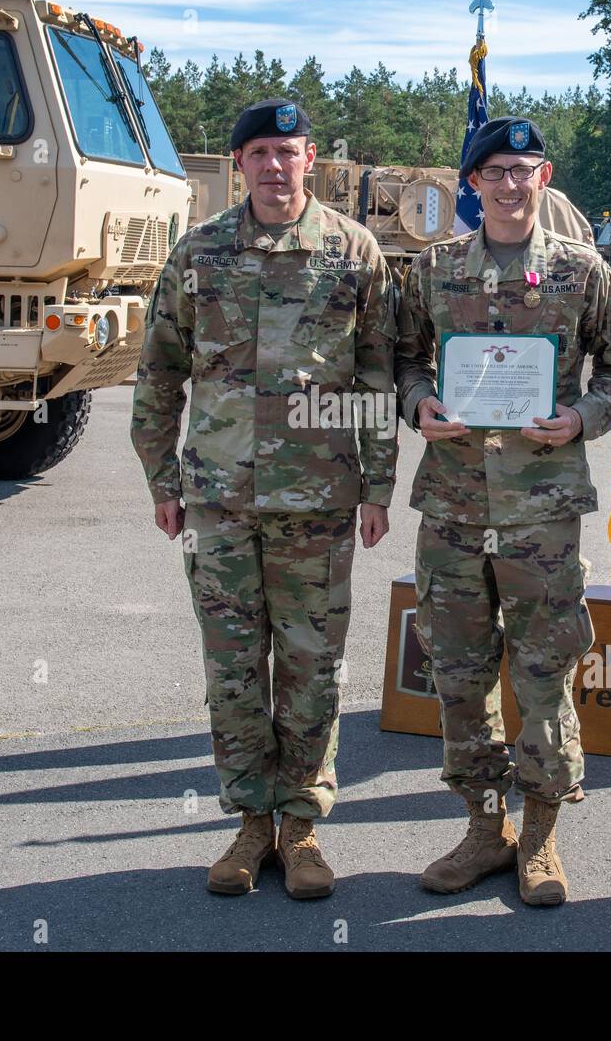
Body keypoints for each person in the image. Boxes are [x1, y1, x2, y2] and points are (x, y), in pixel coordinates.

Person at [130, 98, 399, 899]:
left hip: (320, 500)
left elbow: (379, 373)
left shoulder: (354, 251)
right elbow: (159, 373)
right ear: (239, 163)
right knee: (234, 669)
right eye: (259, 153)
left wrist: (378, 485)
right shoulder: (199, 253)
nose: (275, 166)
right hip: (218, 498)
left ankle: (304, 826)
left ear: (310, 158)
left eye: (288, 151)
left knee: (313, 668)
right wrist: (161, 479)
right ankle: (251, 823)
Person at [395, 116, 611, 905]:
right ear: (472, 183)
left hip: (542, 510)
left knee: (543, 675)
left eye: (523, 170)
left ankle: (539, 837)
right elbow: (395, 359)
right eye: (494, 170)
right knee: (460, 676)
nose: (509, 184)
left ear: (545, 177)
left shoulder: (581, 270)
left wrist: (583, 418)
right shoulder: (432, 272)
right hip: (456, 508)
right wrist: (419, 402)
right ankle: (480, 828)